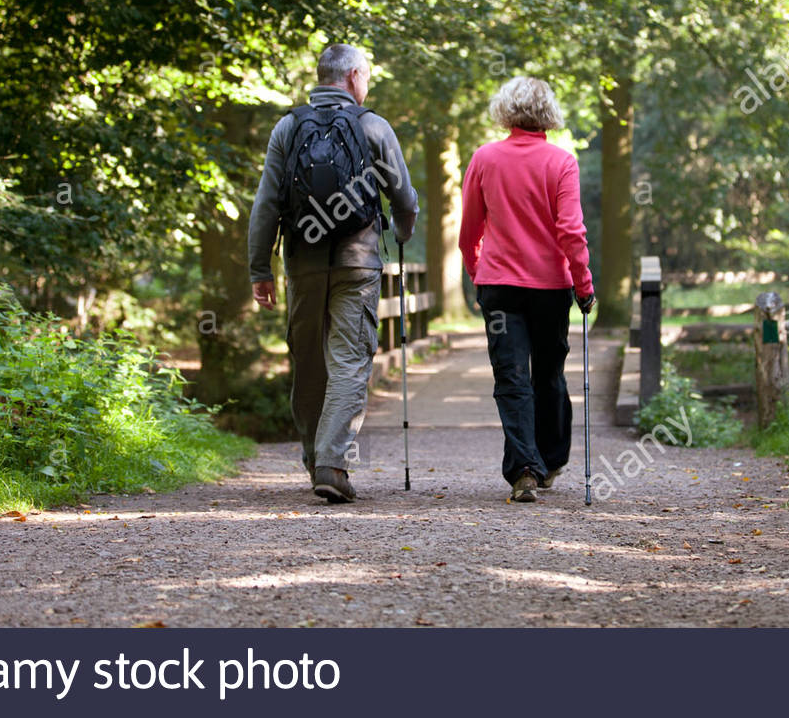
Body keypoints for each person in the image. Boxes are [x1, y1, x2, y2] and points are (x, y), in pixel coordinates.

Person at [248, 43, 418, 503]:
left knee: (308, 361)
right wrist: (401, 232)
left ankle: (313, 459)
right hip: (357, 261)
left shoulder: (288, 126)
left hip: (301, 262)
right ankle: (332, 462)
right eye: (367, 77)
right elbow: (403, 198)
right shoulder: (373, 126)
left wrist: (259, 267)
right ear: (354, 76)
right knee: (348, 358)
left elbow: (265, 203)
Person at [459, 76, 594, 503]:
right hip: (550, 288)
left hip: (499, 286)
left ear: (506, 111)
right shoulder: (562, 162)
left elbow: (469, 229)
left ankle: (525, 470)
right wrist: (583, 285)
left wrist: (476, 269)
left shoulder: (485, 158)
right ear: (548, 114)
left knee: (511, 376)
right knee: (550, 373)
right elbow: (571, 230)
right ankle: (550, 460)